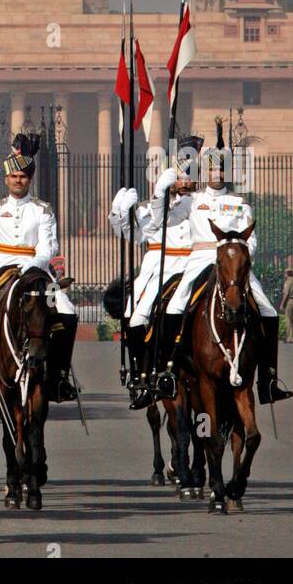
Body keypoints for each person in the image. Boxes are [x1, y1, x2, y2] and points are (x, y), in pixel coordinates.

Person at [155, 135, 293, 404]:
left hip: (233, 264)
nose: (216, 173)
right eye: (211, 168)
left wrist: (238, 256)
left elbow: (251, 239)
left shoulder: (240, 202)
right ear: (204, 171)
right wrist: (164, 191)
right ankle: (168, 372)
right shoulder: (190, 201)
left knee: (267, 309)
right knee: (174, 305)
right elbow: (166, 219)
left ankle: (268, 379)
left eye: (220, 168)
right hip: (200, 260)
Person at [0, 139, 78, 402]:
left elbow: (48, 246)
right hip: (0, 267)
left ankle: (59, 376)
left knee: (67, 311)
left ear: (29, 179)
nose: (18, 181)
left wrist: (36, 264)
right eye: (13, 176)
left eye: (22, 177)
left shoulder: (42, 209)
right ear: (6, 179)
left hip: (36, 269)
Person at [108, 162, 193, 410]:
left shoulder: (200, 203)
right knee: (132, 315)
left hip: (191, 260)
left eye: (189, 178)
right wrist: (119, 214)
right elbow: (134, 235)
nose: (184, 183)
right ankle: (141, 373)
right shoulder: (149, 207)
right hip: (158, 263)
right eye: (179, 178)